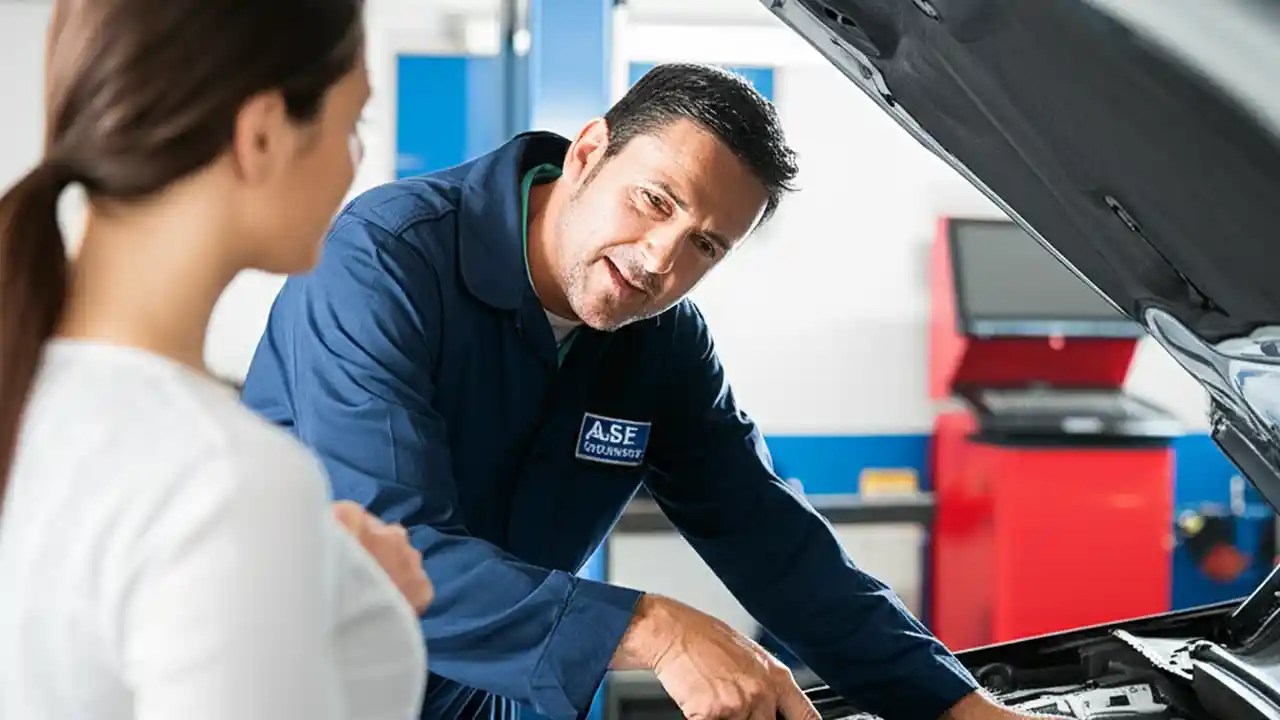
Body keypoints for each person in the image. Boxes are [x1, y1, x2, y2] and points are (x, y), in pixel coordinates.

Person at [241, 64, 1043, 720]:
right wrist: (650, 628)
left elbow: (772, 541)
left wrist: (959, 708)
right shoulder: (385, 263)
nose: (662, 260)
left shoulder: (662, 344)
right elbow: (393, 553)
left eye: (705, 244)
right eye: (656, 200)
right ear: (589, 151)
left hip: (478, 700)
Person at [0, 1, 435, 719]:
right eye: (351, 123)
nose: (356, 163)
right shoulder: (225, 479)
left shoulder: (45, 397)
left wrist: (307, 579)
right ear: (262, 134)